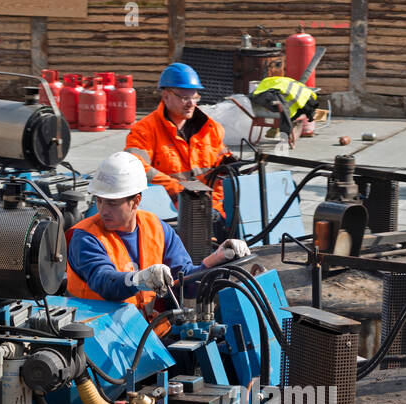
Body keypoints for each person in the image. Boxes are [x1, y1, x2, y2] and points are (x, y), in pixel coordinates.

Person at [64, 152, 247, 336]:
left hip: (147, 332)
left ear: (135, 201)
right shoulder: (85, 237)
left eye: (112, 203)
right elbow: (104, 282)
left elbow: (186, 283)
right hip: (98, 338)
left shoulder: (157, 228)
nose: (103, 209)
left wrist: (218, 258)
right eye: (99, 200)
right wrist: (138, 279)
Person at [124, 63, 232, 235]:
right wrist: (178, 189)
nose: (191, 103)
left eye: (195, 97)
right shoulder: (145, 130)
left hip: (214, 208)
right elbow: (136, 167)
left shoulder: (211, 129)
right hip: (170, 212)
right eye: (184, 98)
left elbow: (221, 163)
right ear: (166, 96)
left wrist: (231, 164)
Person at [250, 75, 320, 148]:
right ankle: (283, 133)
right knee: (295, 109)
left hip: (264, 105)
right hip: (285, 111)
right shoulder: (304, 93)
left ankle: (276, 130)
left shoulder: (266, 82)